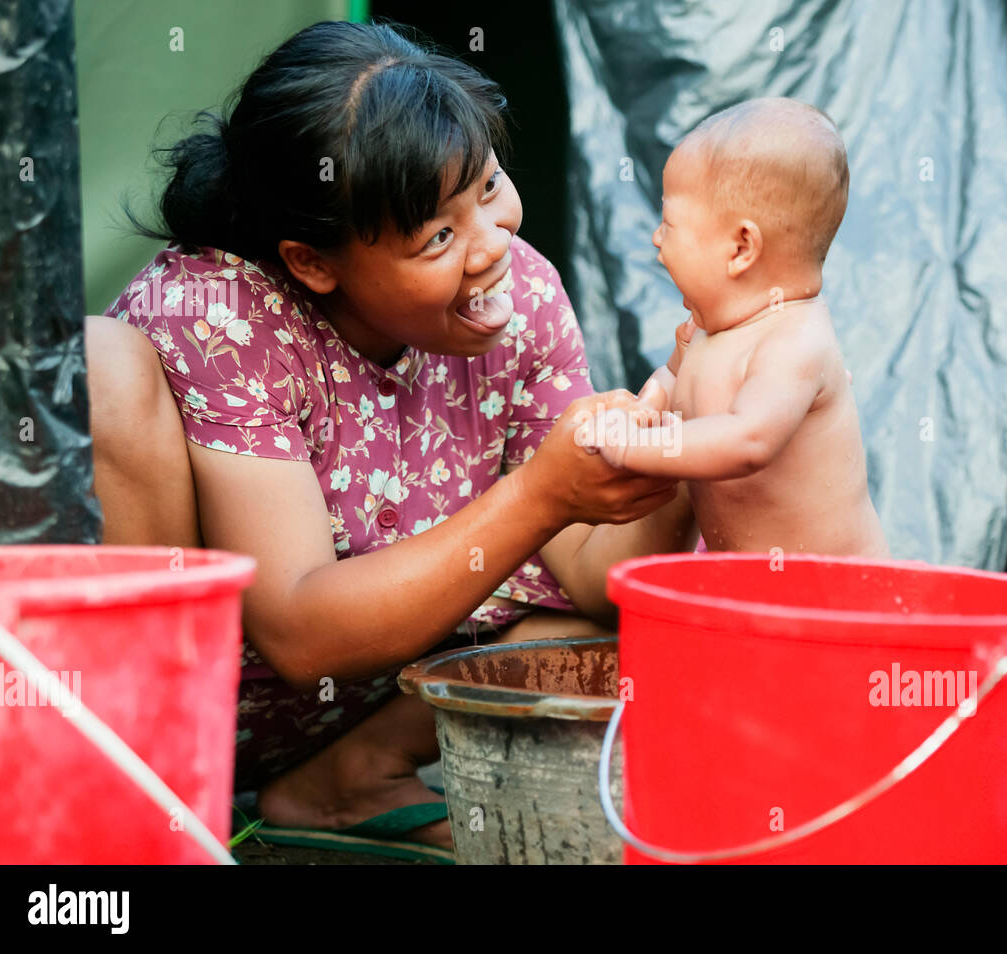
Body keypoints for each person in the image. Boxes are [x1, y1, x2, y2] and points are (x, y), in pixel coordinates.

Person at [85, 20, 695, 853]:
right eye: (438, 237)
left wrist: (679, 457)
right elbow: (300, 632)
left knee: (620, 633)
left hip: (366, 703)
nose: (491, 248)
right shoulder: (218, 311)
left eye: (487, 187)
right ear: (312, 262)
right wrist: (540, 494)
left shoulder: (522, 295)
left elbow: (592, 579)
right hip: (208, 707)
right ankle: (151, 807)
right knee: (98, 367)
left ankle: (349, 780)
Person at [579, 98, 887, 557]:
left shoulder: (794, 342)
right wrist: (647, 406)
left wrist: (631, 447)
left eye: (669, 222)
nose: (655, 237)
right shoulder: (706, 328)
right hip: (747, 589)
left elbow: (748, 440)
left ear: (741, 247)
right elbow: (672, 378)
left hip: (834, 600)